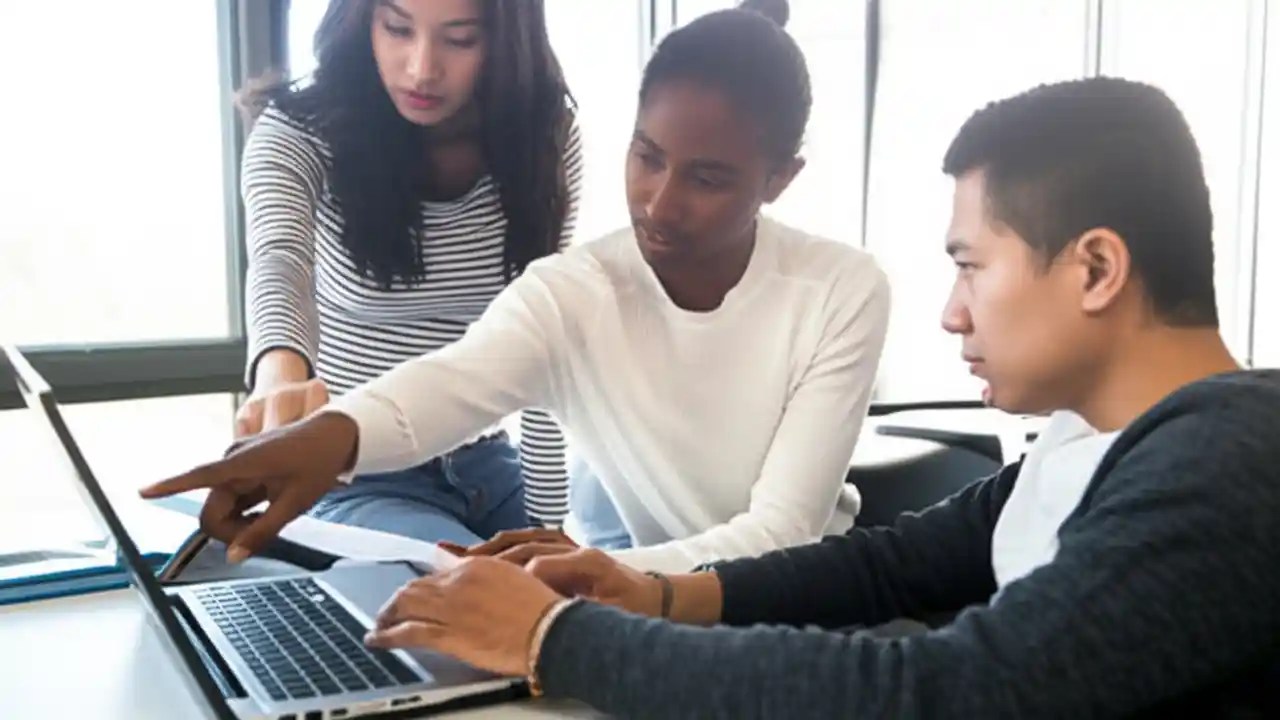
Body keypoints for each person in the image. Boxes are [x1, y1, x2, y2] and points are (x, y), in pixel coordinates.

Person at [353, 77, 1278, 718]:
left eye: (972, 268)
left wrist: (557, 638)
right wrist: (654, 593)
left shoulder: (1223, 472)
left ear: (1097, 269)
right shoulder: (1097, 439)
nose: (953, 314)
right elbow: (891, 567)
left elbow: (945, 696)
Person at [142, 1, 891, 574]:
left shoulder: (839, 288)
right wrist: (308, 415)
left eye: (708, 178)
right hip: (368, 464)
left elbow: (782, 539)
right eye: (646, 157)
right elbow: (454, 369)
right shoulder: (577, 289)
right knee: (461, 598)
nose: (421, 67)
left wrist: (565, 554)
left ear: (780, 180)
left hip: (791, 592)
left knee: (489, 593)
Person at [234, 0, 583, 546]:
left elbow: (543, 333)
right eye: (397, 28)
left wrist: (548, 521)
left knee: (575, 600)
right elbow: (280, 261)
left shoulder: (545, 137)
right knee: (473, 597)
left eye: (460, 39)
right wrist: (280, 379)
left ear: (506, 39)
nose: (422, 68)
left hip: (487, 465)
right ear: (361, 19)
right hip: (357, 472)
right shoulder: (299, 132)